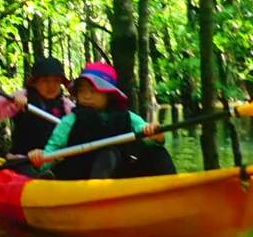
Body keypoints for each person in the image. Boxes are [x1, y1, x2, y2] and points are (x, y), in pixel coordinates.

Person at [28, 62, 175, 180]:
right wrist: (41, 158)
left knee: (157, 151)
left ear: (108, 94)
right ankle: (94, 195)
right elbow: (51, 153)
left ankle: (172, 187)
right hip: (80, 176)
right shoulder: (70, 121)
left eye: (92, 91)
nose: (86, 96)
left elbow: (150, 136)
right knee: (107, 153)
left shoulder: (127, 116)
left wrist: (155, 135)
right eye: (82, 91)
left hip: (120, 175)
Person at [0, 56, 74, 156]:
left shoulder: (66, 105)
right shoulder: (23, 97)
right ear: (35, 82)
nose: (51, 85)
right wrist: (10, 101)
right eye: (45, 80)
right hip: (21, 161)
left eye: (56, 81)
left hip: (53, 161)